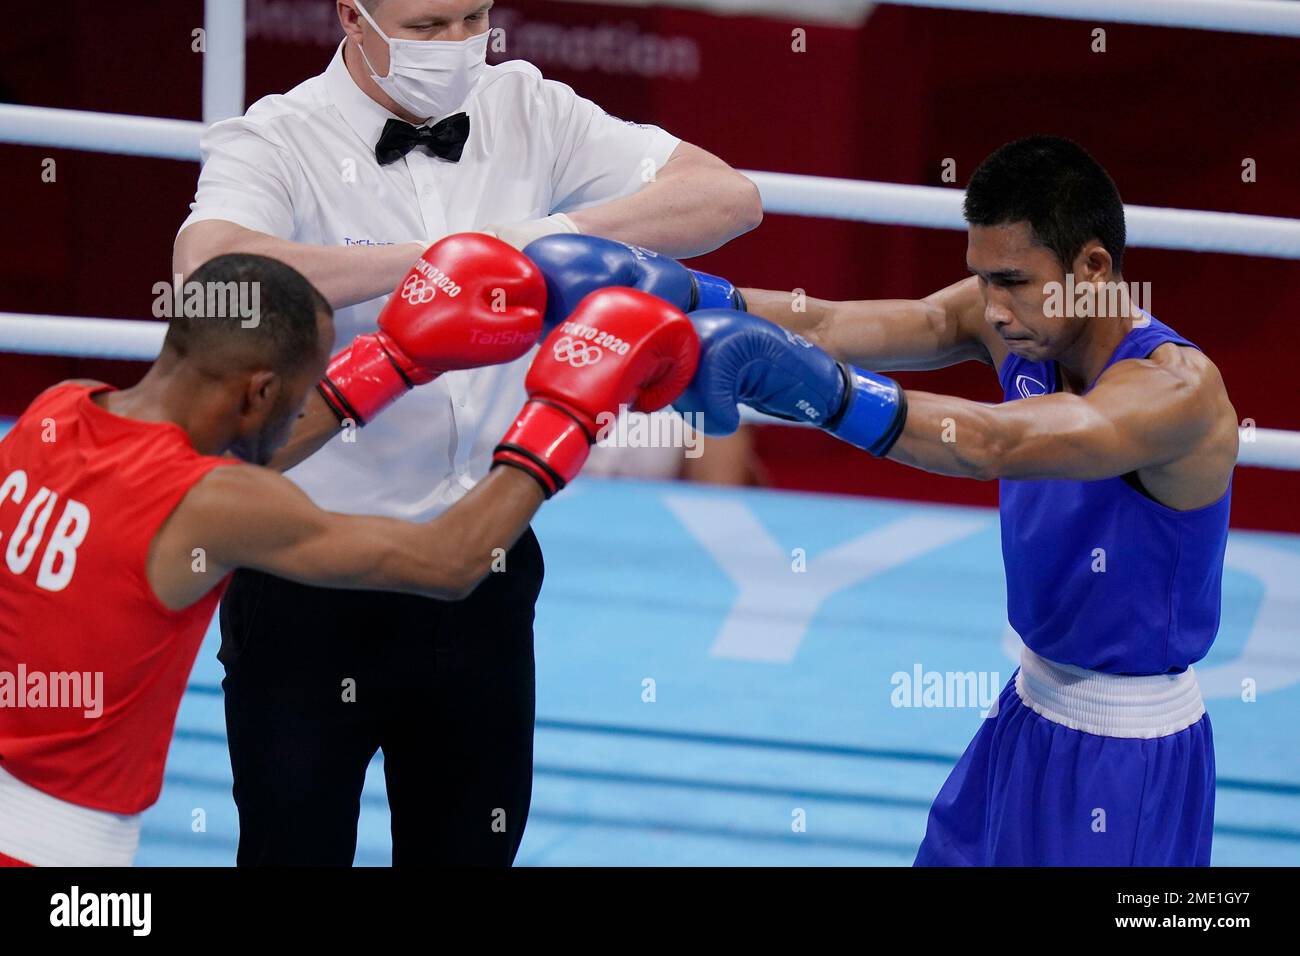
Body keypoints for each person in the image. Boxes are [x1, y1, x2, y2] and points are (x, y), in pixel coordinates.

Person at [172, 0, 759, 866]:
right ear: (352, 17)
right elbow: (208, 268)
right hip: (305, 576)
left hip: (482, 567)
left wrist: (538, 240)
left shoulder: (526, 105)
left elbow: (727, 197)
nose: (457, 47)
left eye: (473, 18)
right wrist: (438, 266)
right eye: (427, 25)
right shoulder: (279, 137)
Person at [547, 137, 1238, 866]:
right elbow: (836, 324)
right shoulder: (1021, 323)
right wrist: (690, 298)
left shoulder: (1176, 392)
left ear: (1092, 268)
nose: (994, 309)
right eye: (982, 279)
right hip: (1026, 709)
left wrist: (829, 395)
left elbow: (992, 443)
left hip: (1125, 759)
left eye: (1012, 281)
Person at [0, 242, 699, 867]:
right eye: (298, 396)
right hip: (51, 848)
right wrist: (570, 413)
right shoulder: (213, 503)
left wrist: (387, 366)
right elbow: (449, 563)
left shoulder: (55, 413)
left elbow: (187, 466)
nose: (301, 414)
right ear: (262, 391)